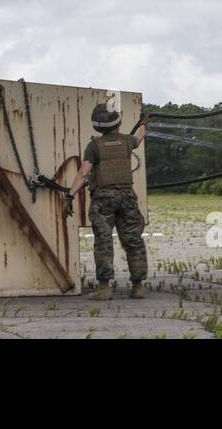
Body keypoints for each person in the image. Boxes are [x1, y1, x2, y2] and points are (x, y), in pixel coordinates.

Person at [67, 103, 148, 301]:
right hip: (127, 198)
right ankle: (138, 286)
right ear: (118, 123)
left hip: (103, 200)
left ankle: (104, 288)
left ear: (97, 127)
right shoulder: (128, 141)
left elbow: (83, 173)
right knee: (133, 240)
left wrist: (69, 196)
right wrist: (145, 122)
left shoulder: (94, 146)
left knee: (103, 241)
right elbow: (140, 136)